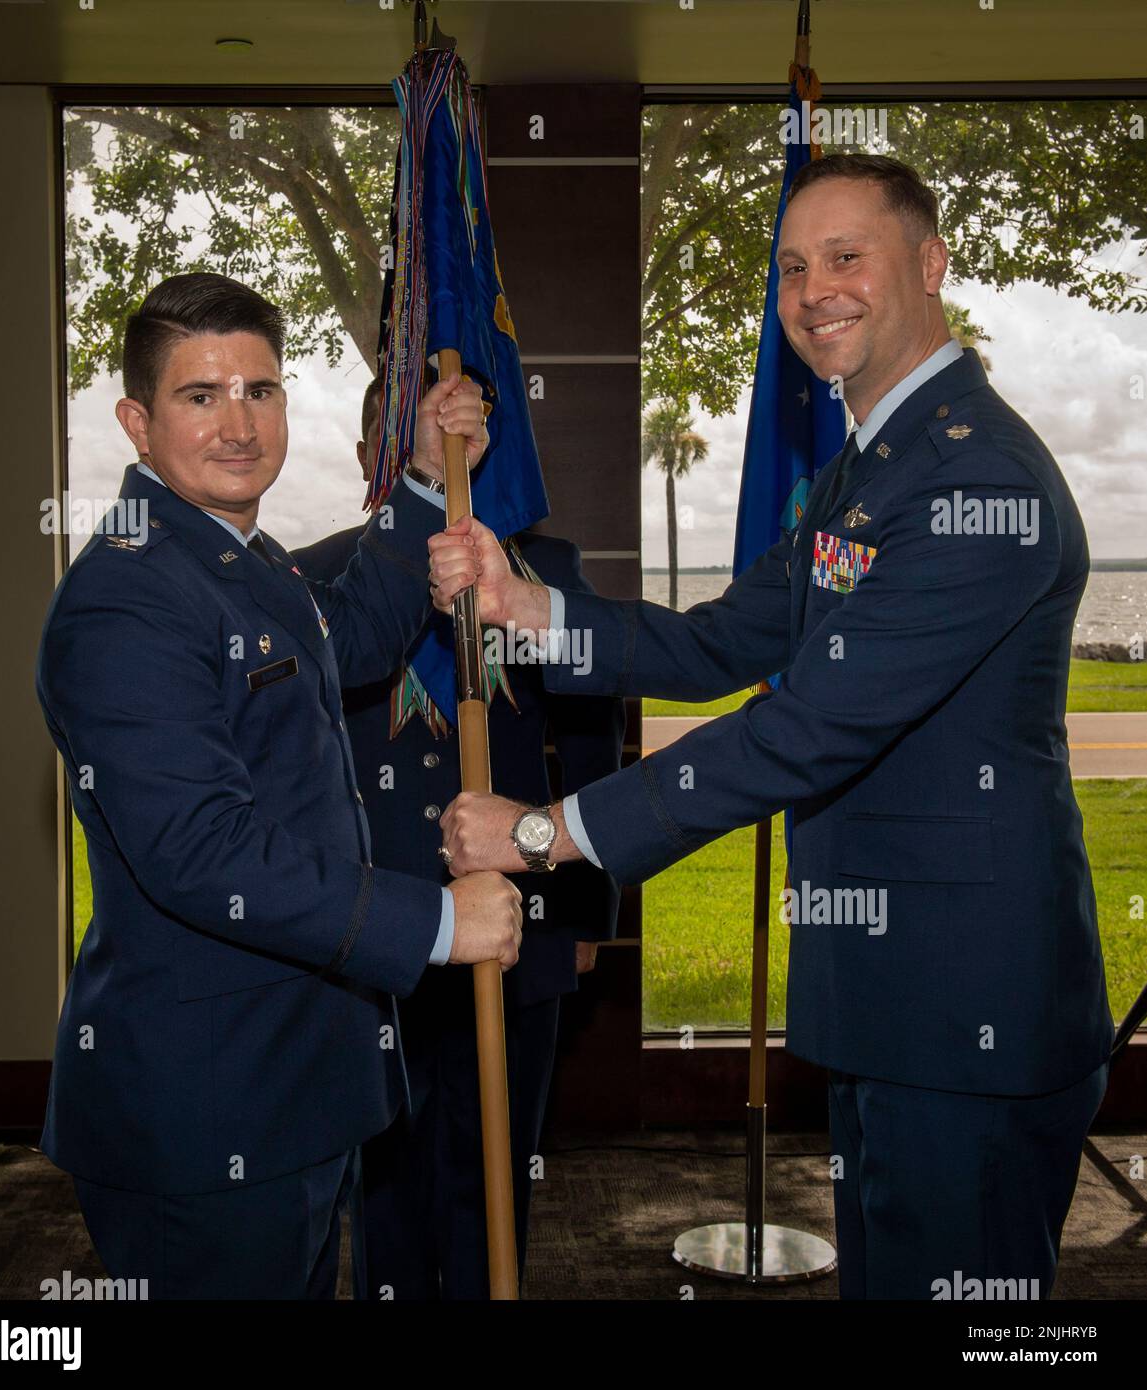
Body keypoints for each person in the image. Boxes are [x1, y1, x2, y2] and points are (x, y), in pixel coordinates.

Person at [428, 155, 1115, 1300]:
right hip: (892, 1003)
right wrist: (524, 606)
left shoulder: (969, 479)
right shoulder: (868, 468)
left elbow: (803, 732)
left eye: (847, 257)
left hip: (967, 1014)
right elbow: (721, 641)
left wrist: (545, 834)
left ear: (929, 264)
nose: (812, 291)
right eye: (792, 267)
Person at [36, 272, 522, 1300]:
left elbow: (344, 639)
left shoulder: (234, 560)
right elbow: (201, 851)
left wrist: (432, 482)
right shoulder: (126, 597)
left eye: (259, 390)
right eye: (199, 395)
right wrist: (435, 923)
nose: (237, 423)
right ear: (136, 419)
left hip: (287, 1088)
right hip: (202, 1109)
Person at [293, 375, 624, 1299]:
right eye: (400, 446)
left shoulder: (543, 571)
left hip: (526, 918)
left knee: (496, 1170)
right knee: (384, 1181)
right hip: (376, 932)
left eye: (442, 443)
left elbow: (592, 739)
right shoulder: (314, 577)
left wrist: (591, 908)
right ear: (370, 463)